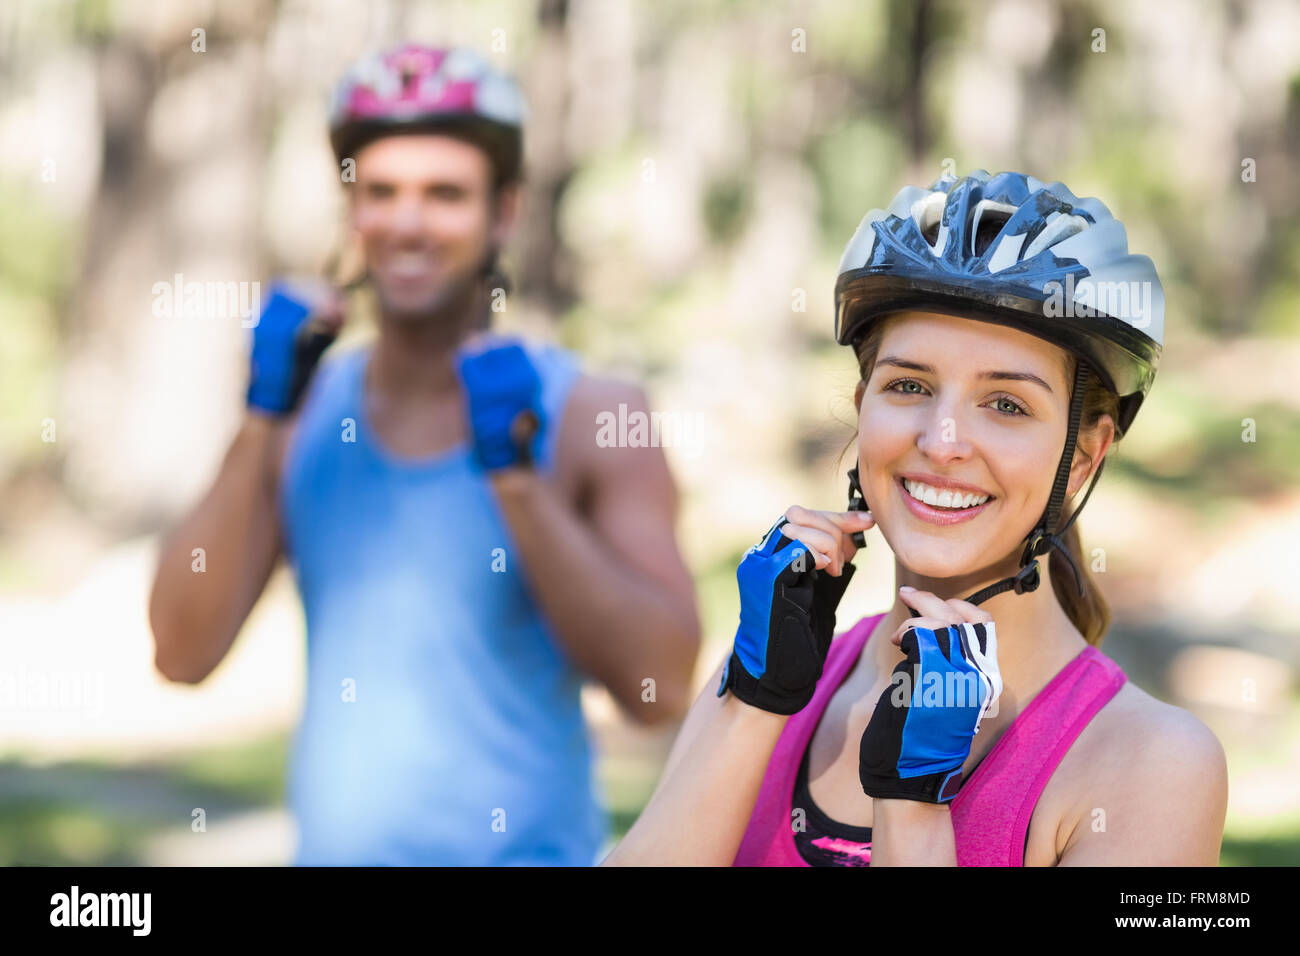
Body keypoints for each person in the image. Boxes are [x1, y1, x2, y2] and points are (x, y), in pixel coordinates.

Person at [148, 44, 700, 866]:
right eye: (381, 193)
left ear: (503, 212)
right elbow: (180, 652)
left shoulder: (592, 411)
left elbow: (660, 688)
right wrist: (260, 415)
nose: (407, 223)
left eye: (445, 194)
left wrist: (517, 479)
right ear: (351, 211)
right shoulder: (302, 413)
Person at [603, 169, 1228, 866]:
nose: (941, 441)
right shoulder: (759, 678)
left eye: (1007, 404)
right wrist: (754, 703)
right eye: (909, 385)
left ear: (1084, 456)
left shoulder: (1153, 764)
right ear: (862, 404)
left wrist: (913, 808)